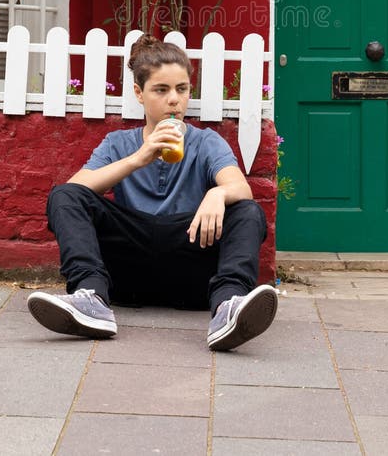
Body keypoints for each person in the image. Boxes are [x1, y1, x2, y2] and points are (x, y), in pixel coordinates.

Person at [27, 34, 278, 351]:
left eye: (182, 89)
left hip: (190, 265)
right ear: (139, 94)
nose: (174, 100)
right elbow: (75, 190)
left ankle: (228, 306)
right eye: (161, 90)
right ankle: (91, 299)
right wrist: (138, 158)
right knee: (64, 195)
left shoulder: (205, 142)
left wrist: (217, 195)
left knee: (247, 210)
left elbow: (240, 187)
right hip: (127, 273)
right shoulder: (119, 144)